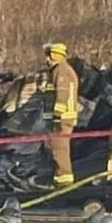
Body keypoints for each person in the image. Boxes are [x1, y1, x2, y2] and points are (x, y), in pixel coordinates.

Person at [42, 42, 79, 187]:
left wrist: (57, 116)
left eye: (50, 56)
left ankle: (64, 182)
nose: (47, 59)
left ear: (56, 55)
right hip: (61, 118)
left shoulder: (61, 70)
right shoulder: (60, 70)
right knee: (58, 148)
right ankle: (60, 179)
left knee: (59, 149)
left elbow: (62, 94)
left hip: (62, 119)